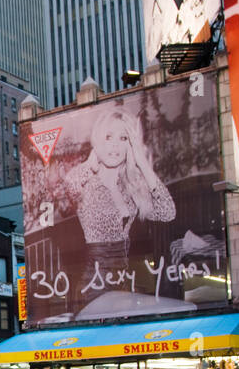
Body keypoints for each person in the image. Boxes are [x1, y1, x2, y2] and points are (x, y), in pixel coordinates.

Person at [66, 104, 176, 283]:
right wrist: (91, 163)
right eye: (108, 137)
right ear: (98, 140)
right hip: (96, 281)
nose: (115, 145)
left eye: (123, 138)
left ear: (131, 144)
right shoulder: (86, 181)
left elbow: (168, 212)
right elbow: (70, 186)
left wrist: (143, 164)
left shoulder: (130, 186)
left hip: (124, 278)